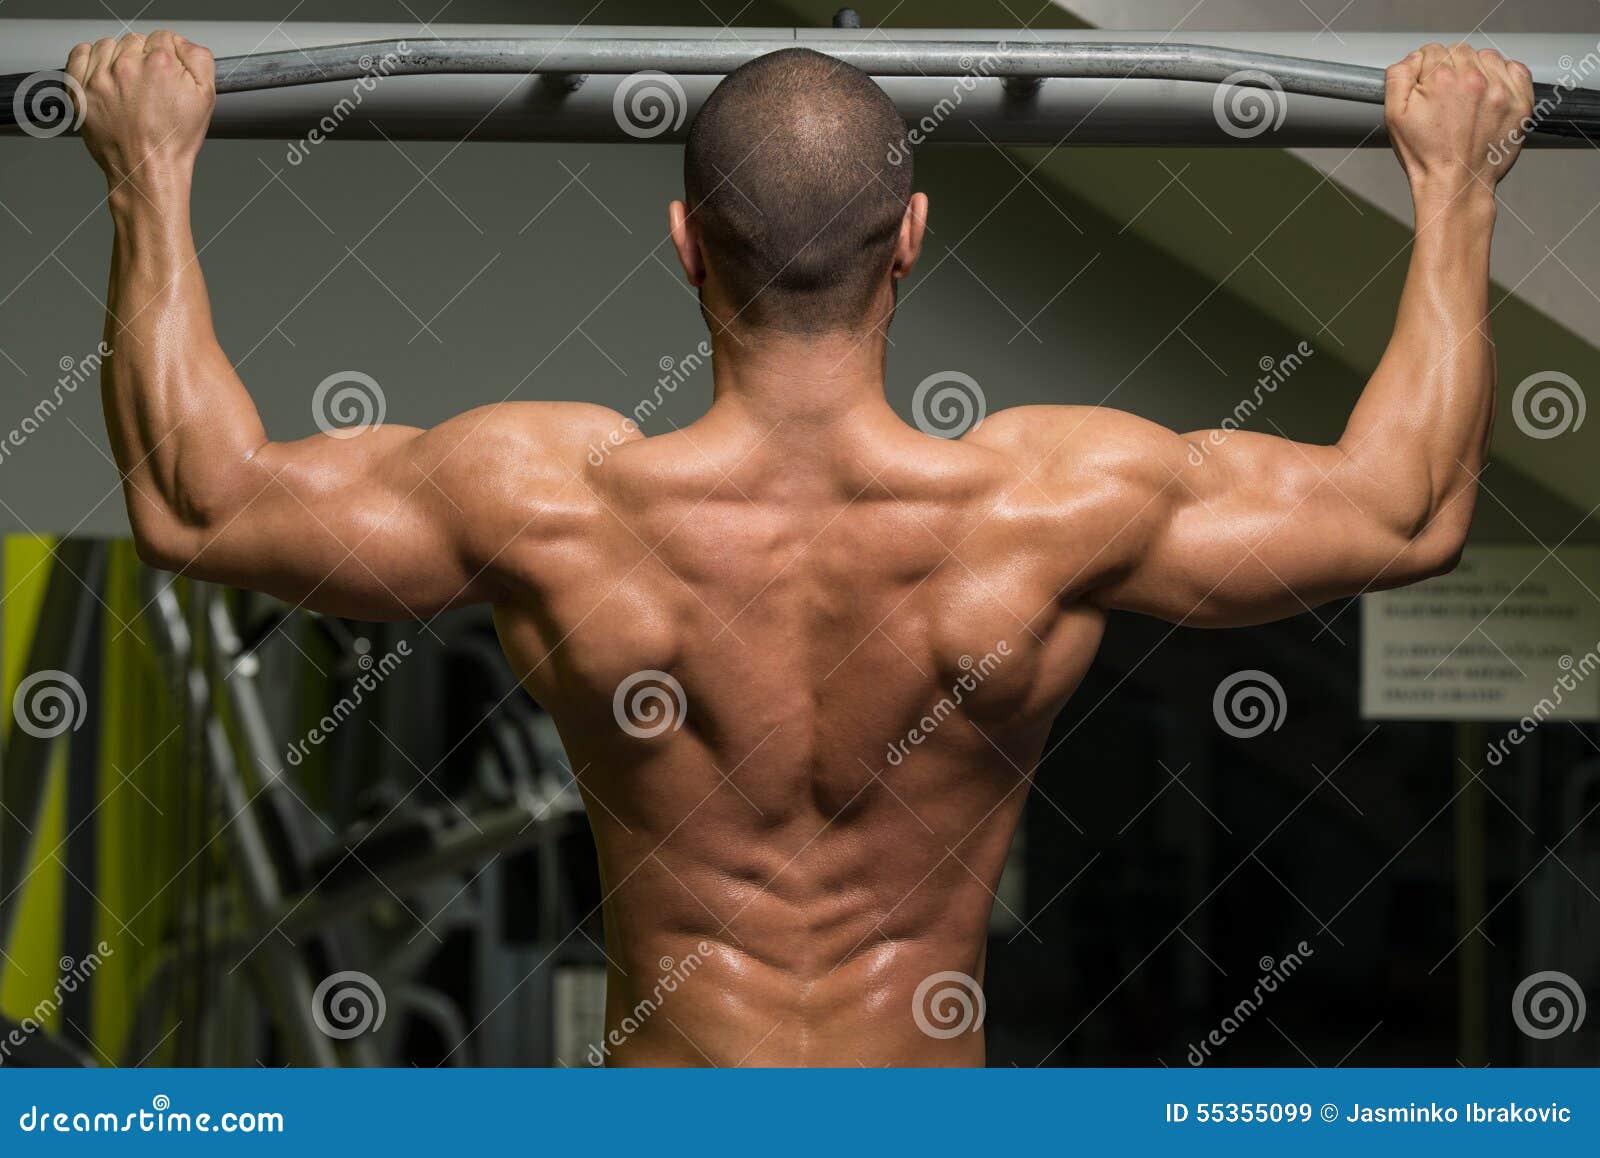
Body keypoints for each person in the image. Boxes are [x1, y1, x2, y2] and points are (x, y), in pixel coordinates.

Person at [66, 32, 1530, 1065]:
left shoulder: (553, 498)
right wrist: (1454, 184)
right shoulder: (1048, 502)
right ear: (912, 237)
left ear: (686, 242)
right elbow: (1403, 508)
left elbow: (201, 500)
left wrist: (150, 169)